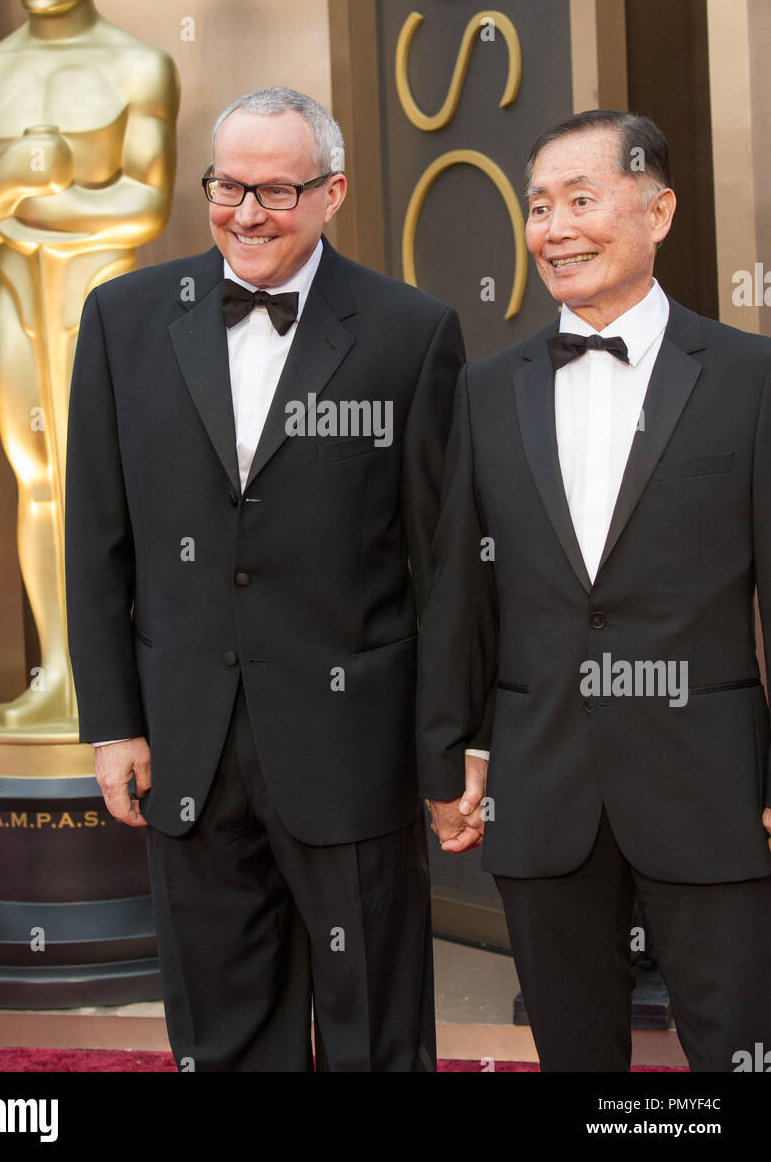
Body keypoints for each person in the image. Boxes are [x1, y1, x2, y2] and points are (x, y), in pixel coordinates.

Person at [64, 86, 465, 1071]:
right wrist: (113, 721)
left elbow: (444, 562)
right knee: (222, 1029)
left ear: (332, 193)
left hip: (351, 746)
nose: (247, 213)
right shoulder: (123, 317)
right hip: (187, 742)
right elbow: (94, 537)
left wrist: (447, 749)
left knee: (377, 1026)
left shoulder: (412, 332)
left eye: (276, 191)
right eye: (229, 186)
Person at [419, 109, 771, 1072]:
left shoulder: (750, 377)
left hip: (711, 783)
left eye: (582, 199)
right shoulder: (486, 391)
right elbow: (461, 591)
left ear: (658, 212)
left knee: (740, 1047)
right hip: (542, 783)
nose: (554, 228)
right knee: (575, 1058)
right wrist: (452, 753)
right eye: (538, 207)